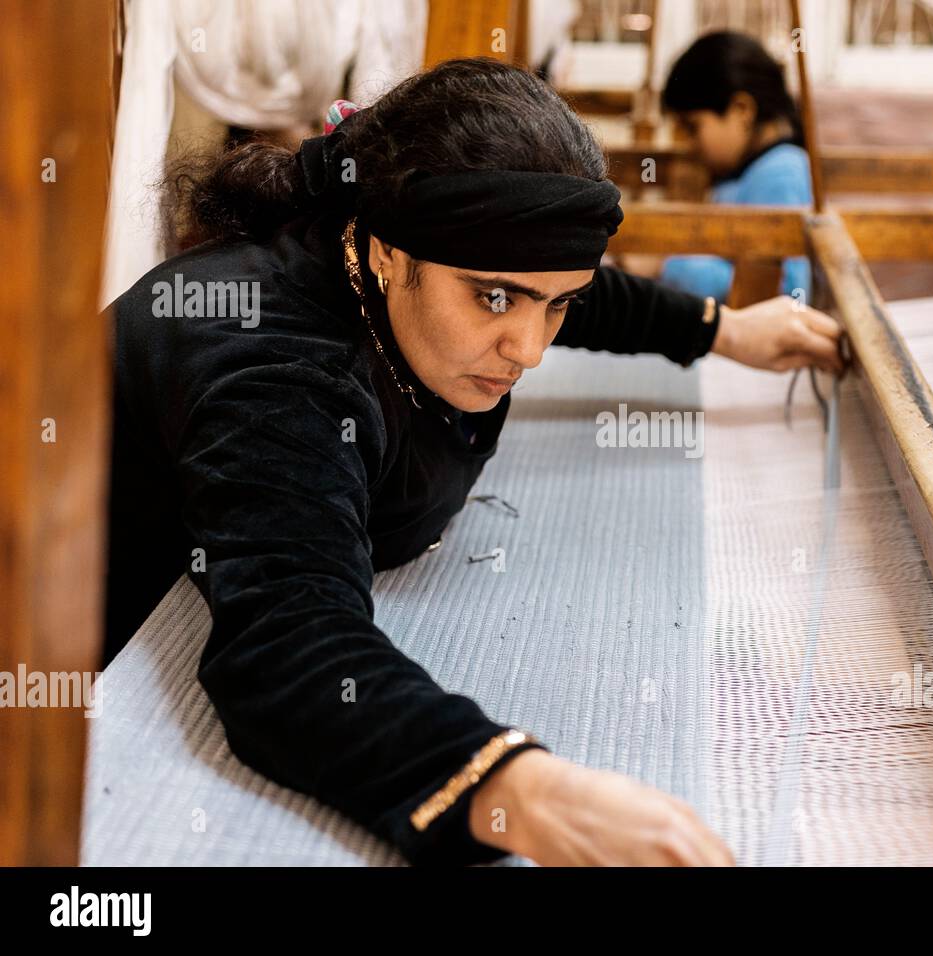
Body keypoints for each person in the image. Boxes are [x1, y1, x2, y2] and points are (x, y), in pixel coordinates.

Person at [104, 57, 843, 866]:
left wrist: (725, 330)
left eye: (553, 305)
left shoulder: (408, 249)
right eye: (495, 299)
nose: (528, 347)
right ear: (386, 254)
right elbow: (286, 646)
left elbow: (578, 289)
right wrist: (512, 789)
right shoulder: (281, 377)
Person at [659, 31, 813, 303]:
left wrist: (666, 264)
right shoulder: (745, 171)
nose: (690, 145)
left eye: (693, 127)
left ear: (742, 110)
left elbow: (789, 291)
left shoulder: (780, 173)